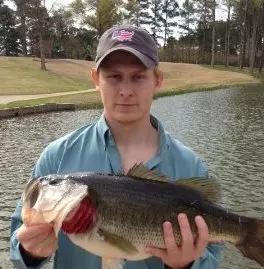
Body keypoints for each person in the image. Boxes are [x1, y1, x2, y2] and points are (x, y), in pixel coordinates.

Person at [10, 25, 223, 269]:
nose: (125, 91)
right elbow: (16, 250)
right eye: (114, 77)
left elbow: (213, 254)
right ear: (95, 80)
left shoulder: (190, 165)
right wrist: (30, 252)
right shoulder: (57, 157)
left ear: (158, 80)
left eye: (138, 77)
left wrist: (186, 265)